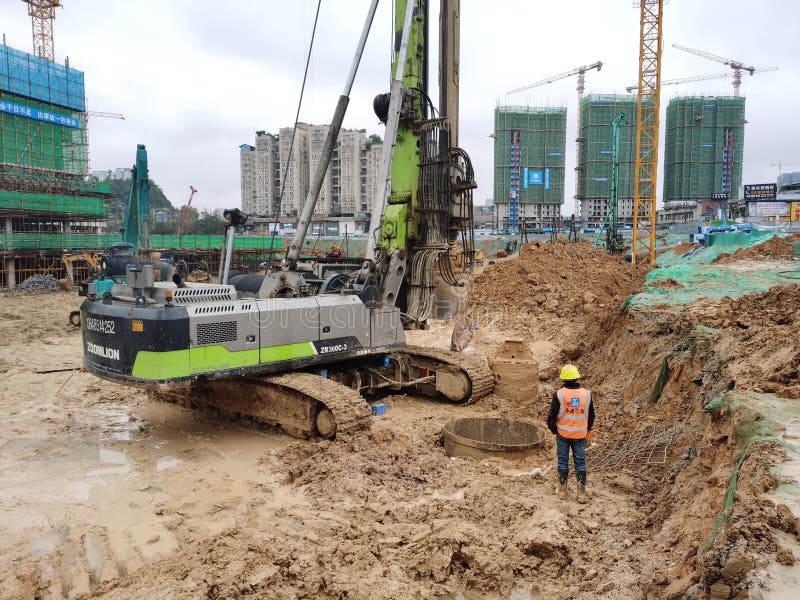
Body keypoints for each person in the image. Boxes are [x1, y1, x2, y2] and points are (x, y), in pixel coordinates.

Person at [547, 364, 595, 503]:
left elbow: (552, 415)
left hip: (563, 434)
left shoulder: (559, 394)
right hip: (580, 435)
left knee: (563, 462)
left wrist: (553, 429)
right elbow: (591, 415)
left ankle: (562, 491)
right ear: (576, 377)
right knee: (580, 463)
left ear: (563, 379)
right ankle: (581, 494)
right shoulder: (587, 394)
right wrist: (588, 429)